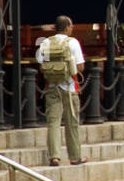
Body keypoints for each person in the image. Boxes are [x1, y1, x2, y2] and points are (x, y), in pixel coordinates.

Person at [36, 15, 87, 166]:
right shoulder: (73, 42)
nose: (72, 29)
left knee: (53, 122)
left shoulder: (45, 42)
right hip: (69, 86)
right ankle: (75, 156)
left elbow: (41, 63)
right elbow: (80, 67)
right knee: (72, 123)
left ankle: (54, 156)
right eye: (71, 26)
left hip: (52, 87)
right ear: (66, 27)